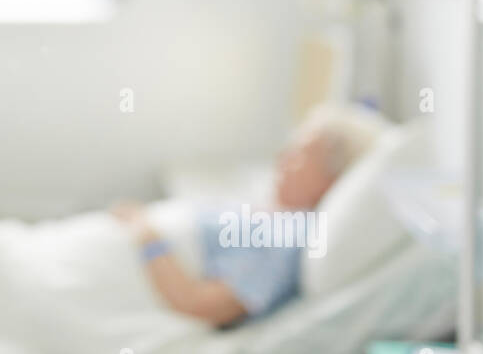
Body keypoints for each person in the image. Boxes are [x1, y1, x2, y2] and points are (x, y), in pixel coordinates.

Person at [111, 103, 384, 327]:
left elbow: (200, 305)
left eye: (299, 157)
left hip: (129, 267)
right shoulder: (277, 218)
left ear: (331, 182)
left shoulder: (289, 236)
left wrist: (145, 232)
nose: (282, 162)